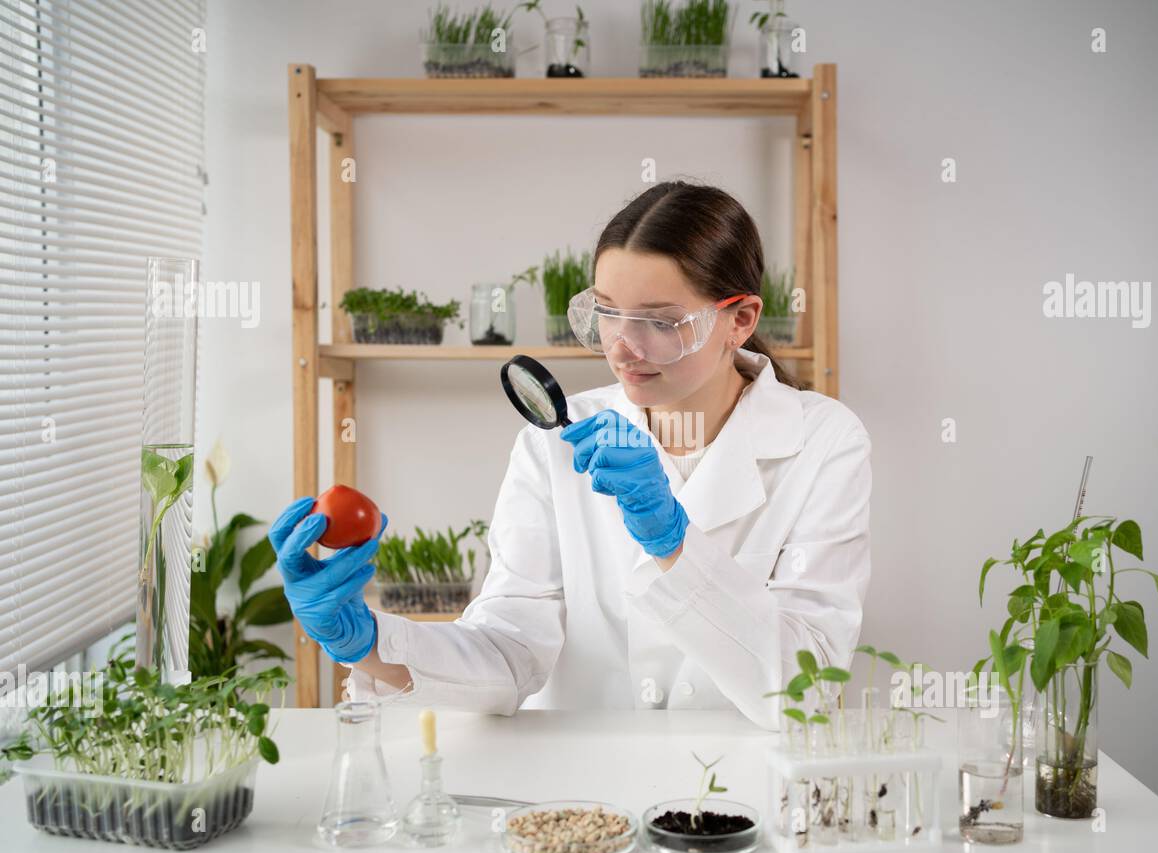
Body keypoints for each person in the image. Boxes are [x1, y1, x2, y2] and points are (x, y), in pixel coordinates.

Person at [269, 181, 871, 730]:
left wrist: (675, 545)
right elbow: (509, 651)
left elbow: (805, 688)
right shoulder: (556, 437)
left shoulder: (824, 441)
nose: (625, 347)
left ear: (739, 319)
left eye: (661, 322)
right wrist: (369, 642)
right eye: (607, 313)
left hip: (742, 794)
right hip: (578, 792)